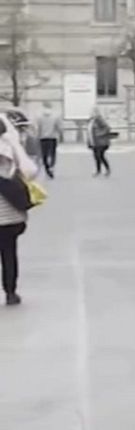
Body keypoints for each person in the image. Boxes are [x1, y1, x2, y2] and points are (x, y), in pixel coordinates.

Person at [0, 113, 40, 305]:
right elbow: (30, 172)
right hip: (10, 215)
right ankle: (10, 292)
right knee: (9, 252)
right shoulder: (9, 147)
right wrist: (15, 144)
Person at [34, 104, 63, 178]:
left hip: (43, 138)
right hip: (53, 138)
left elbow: (38, 128)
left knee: (44, 154)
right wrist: (61, 135)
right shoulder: (55, 117)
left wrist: (37, 137)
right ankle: (51, 166)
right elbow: (59, 127)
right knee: (52, 153)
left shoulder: (39, 117)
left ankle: (47, 168)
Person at [85, 108, 113, 177]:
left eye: (94, 112)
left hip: (101, 142)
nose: (92, 113)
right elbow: (89, 131)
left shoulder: (99, 119)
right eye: (91, 112)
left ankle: (107, 170)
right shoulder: (91, 121)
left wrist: (99, 134)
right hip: (94, 142)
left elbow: (107, 128)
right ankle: (98, 171)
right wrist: (89, 142)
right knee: (96, 157)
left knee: (100, 156)